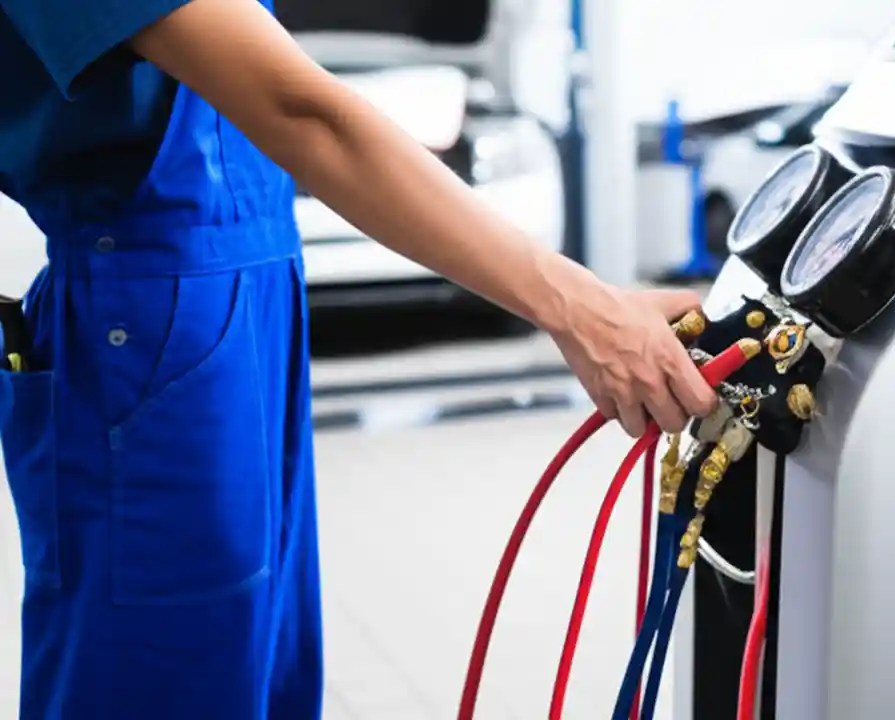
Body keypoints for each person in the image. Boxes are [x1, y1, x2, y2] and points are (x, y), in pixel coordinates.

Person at [0, 0, 719, 716]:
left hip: (240, 308)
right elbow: (303, 115)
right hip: (146, 330)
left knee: (255, 682)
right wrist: (580, 308)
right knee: (157, 686)